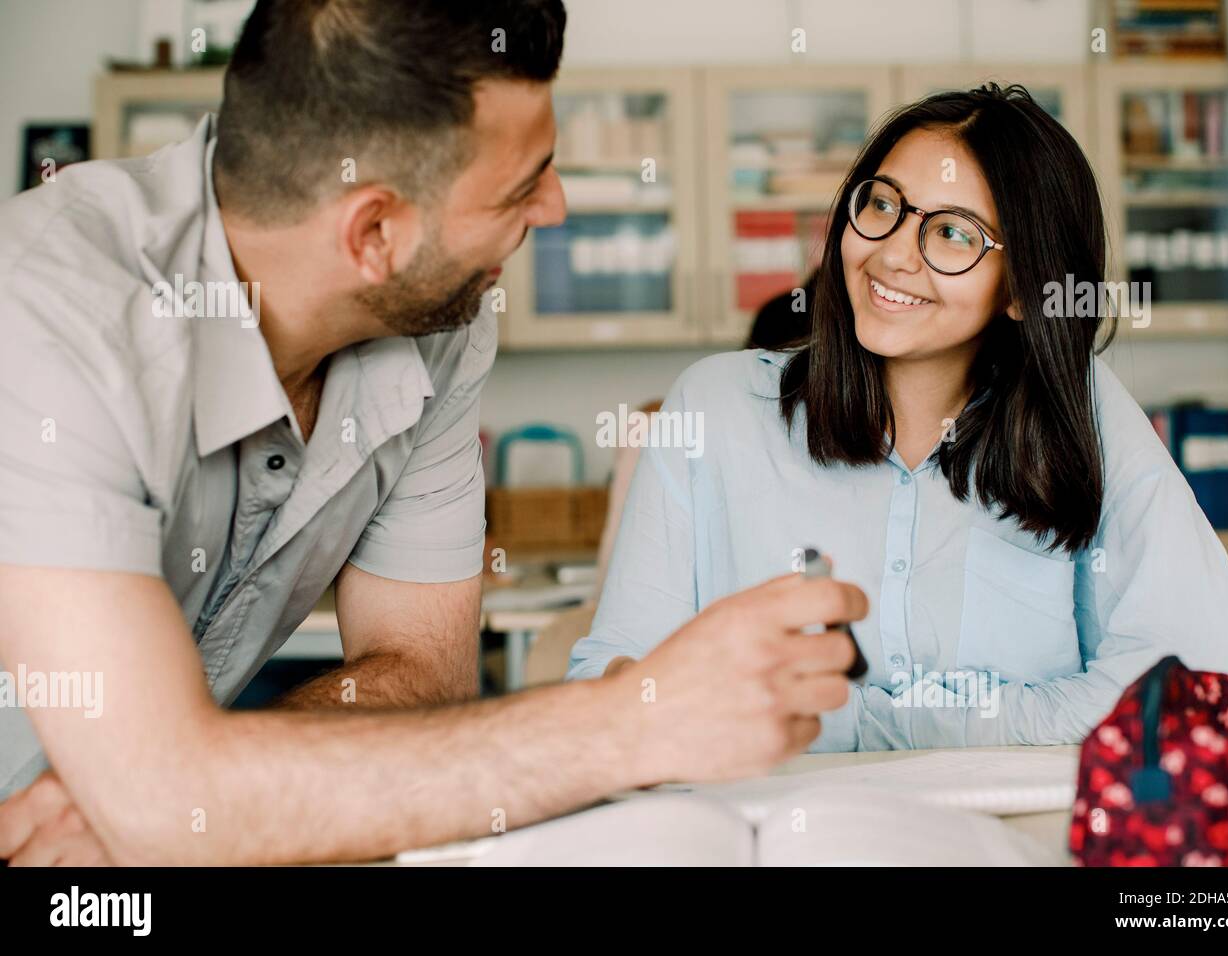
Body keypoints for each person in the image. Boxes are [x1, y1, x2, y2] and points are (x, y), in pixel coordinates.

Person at [0, 0, 863, 865]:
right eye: (525, 185)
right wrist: (638, 721)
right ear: (374, 233)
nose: (556, 208)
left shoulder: (440, 320)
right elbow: (166, 801)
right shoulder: (46, 321)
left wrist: (213, 783)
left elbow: (419, 677)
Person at [568, 84, 1228, 750]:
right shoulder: (715, 408)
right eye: (882, 206)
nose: (895, 255)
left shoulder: (1077, 412)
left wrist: (858, 722)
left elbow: (1214, 689)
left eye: (954, 235)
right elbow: (614, 678)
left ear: (1022, 289)